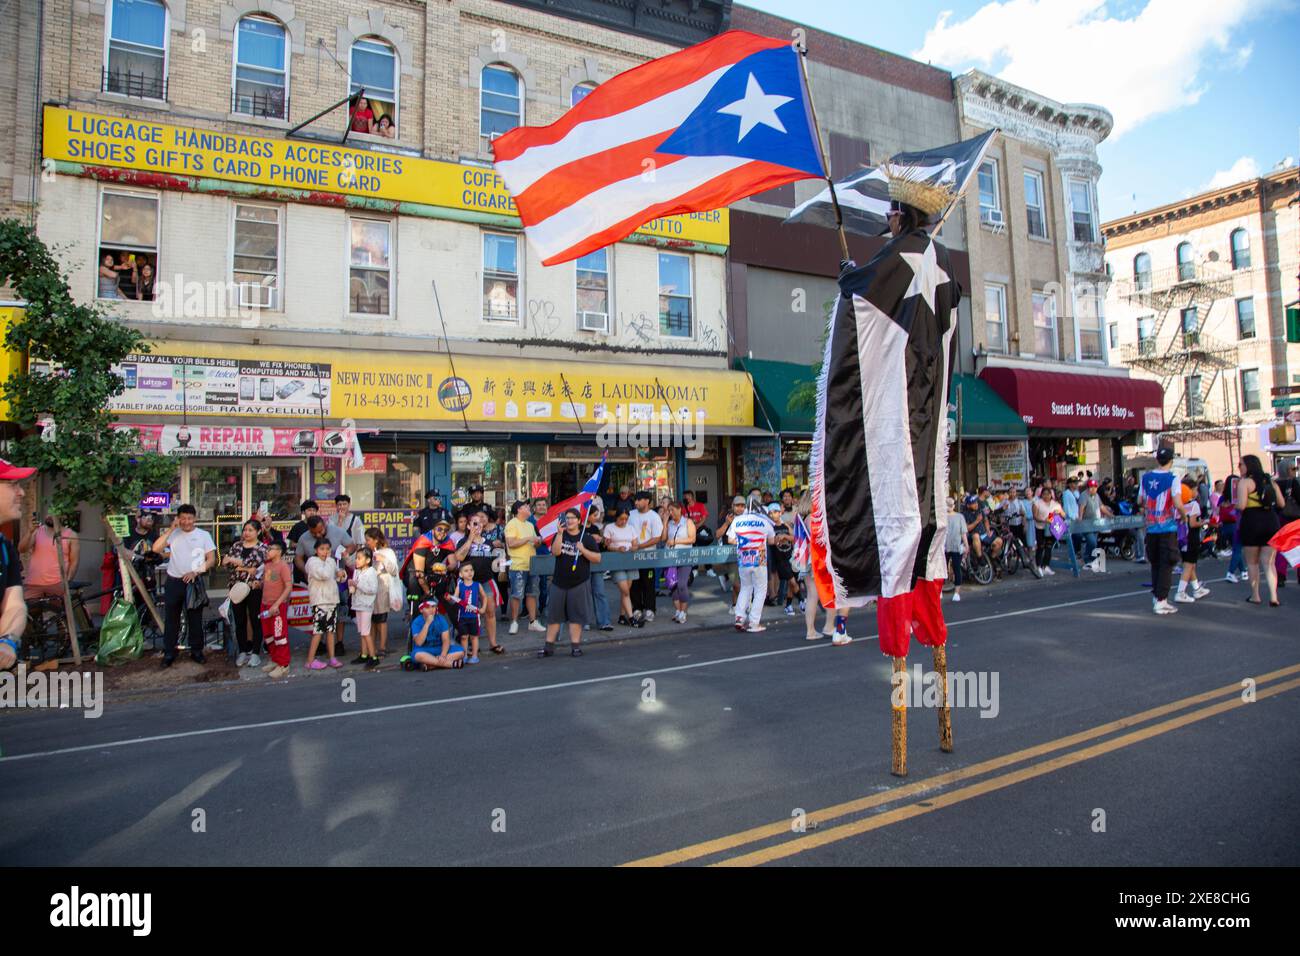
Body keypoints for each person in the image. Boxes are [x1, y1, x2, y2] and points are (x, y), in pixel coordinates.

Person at [151, 504, 216, 667]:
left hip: (193, 582)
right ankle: (169, 652)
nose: (186, 522)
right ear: (178, 519)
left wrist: (196, 572)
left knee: (195, 618)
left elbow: (211, 559)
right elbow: (156, 549)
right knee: (171, 619)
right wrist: (171, 529)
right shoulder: (174, 534)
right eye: (183, 518)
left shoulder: (203, 535)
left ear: (195, 518)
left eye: (190, 518)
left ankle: (196, 651)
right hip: (174, 580)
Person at [538, 508, 601, 657]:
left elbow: (597, 559)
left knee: (576, 617)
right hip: (559, 582)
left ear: (579, 521)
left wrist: (583, 550)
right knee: (554, 616)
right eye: (568, 518)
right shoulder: (560, 535)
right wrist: (559, 534)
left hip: (579, 583)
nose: (570, 520)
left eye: (573, 518)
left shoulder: (587, 538)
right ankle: (548, 647)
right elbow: (555, 552)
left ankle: (575, 647)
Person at [0, 459, 36, 671]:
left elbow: (14, 605)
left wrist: (7, 641)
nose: (21, 493)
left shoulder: (4, 547)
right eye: (12, 484)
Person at [1141, 448, 1186, 615]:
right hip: (1167, 527)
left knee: (1156, 563)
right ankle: (1162, 600)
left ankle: (1156, 596)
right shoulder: (1173, 479)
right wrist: (1184, 516)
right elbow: (1177, 503)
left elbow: (1140, 499)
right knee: (1167, 563)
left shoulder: (1145, 478)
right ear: (1171, 461)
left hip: (1151, 527)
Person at [1235, 454, 1284, 606]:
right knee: (1269, 563)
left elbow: (1242, 505)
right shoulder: (1271, 482)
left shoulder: (1245, 483)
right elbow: (1281, 503)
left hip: (1252, 522)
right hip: (1271, 521)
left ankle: (1255, 595)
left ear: (1249, 466)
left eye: (1241, 464)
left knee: (1252, 562)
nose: (1239, 467)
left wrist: (1234, 505)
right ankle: (1274, 596)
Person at [454, 511, 504, 653]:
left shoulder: (489, 543)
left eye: (480, 523)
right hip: (469, 583)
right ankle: (470, 643)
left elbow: (496, 564)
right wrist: (470, 539)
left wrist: (501, 563)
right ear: (469, 526)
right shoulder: (463, 541)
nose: (478, 526)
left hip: (486, 580)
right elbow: (459, 557)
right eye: (474, 523)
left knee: (490, 612)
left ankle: (493, 643)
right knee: (469, 613)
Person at [223, 519, 267, 668]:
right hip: (236, 587)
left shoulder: (262, 548)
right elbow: (227, 564)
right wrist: (245, 567)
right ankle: (242, 650)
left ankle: (255, 653)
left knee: (255, 619)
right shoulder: (236, 545)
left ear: (258, 532)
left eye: (250, 530)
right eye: (245, 530)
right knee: (239, 619)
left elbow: (254, 563)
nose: (247, 533)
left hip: (253, 587)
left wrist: (238, 564)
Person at [727, 499, 775, 633]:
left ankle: (739, 617)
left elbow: (730, 539)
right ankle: (754, 623)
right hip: (759, 560)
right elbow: (771, 541)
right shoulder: (764, 521)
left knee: (745, 588)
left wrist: (744, 542)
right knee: (760, 590)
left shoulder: (737, 521)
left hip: (743, 559)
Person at [304, 536, 346, 670]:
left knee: (330, 630)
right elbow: (325, 575)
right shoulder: (312, 562)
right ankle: (310, 660)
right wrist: (329, 561)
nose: (325, 552)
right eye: (322, 549)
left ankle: (332, 657)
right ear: (316, 550)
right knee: (318, 631)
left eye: (328, 549)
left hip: (332, 600)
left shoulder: (331, 562)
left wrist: (341, 574)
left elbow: (336, 578)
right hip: (320, 601)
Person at [504, 500, 544, 635]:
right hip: (518, 565)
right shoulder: (512, 524)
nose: (528, 508)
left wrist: (538, 541)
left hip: (532, 564)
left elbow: (533, 544)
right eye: (526, 506)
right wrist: (528, 538)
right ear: (518, 510)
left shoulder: (530, 525)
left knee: (532, 594)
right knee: (516, 595)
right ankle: (514, 622)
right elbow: (511, 543)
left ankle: (533, 622)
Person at [19, 515, 79, 601]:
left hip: (57, 584)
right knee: (28, 612)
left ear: (64, 516)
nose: (50, 516)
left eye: (54, 513)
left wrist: (67, 582)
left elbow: (74, 562)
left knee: (57, 613)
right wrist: (30, 532)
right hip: (33, 583)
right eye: (48, 513)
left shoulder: (71, 535)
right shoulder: (37, 531)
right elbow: (22, 549)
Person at [627, 491, 663, 624]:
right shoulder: (630, 515)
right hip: (633, 555)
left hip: (648, 556)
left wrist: (640, 546)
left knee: (648, 583)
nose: (636, 502)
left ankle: (650, 609)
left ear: (647, 501)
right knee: (634, 583)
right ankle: (636, 608)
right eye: (635, 500)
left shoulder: (654, 516)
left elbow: (656, 538)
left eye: (639, 500)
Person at [1174, 475, 1211, 604]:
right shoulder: (1193, 504)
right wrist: (1205, 522)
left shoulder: (1178, 506)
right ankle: (1180, 592)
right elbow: (1193, 523)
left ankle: (1197, 588)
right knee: (1189, 565)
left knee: (1189, 565)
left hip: (1181, 538)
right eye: (1195, 490)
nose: (1196, 493)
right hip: (1192, 537)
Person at [258, 540, 292, 678]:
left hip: (277, 607)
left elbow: (288, 586)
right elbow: (269, 581)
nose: (267, 551)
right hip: (265, 605)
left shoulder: (283, 567)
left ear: (279, 551)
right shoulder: (268, 565)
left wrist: (277, 604)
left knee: (280, 636)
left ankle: (284, 665)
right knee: (268, 635)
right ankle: (275, 659)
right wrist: (258, 584)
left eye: (270, 549)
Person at [602, 508, 640, 627]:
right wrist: (616, 548)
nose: (624, 521)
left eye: (626, 519)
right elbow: (606, 546)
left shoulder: (631, 528)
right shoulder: (609, 528)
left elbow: (635, 544)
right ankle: (631, 617)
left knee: (626, 592)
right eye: (621, 519)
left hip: (629, 560)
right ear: (616, 518)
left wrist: (633, 548)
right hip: (617, 561)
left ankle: (622, 616)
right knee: (625, 591)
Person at [365, 528, 399, 657]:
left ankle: (382, 646)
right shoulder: (367, 551)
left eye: (368, 540)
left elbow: (394, 570)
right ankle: (371, 647)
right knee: (372, 620)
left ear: (376, 540)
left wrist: (383, 559)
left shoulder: (387, 552)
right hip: (370, 590)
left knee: (381, 619)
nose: (367, 542)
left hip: (382, 589)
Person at [348, 546, 381, 669]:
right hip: (358, 604)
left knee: (366, 632)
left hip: (366, 605)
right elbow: (355, 585)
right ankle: (364, 654)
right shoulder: (357, 571)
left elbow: (372, 589)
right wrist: (351, 584)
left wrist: (357, 584)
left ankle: (373, 657)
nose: (356, 560)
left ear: (367, 560)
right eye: (356, 558)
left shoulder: (371, 572)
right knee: (362, 631)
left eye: (359, 558)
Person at [664, 500, 696, 623]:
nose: (670, 513)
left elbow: (692, 539)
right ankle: (677, 611)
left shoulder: (688, 522)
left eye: (672, 510)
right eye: (669, 511)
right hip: (671, 557)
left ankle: (683, 612)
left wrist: (676, 541)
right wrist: (665, 521)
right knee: (673, 585)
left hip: (685, 557)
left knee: (682, 584)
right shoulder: (670, 523)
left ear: (679, 510)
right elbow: (663, 538)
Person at [408, 599, 464, 670]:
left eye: (433, 607)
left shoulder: (441, 619)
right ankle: (450, 664)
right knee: (417, 655)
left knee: (461, 652)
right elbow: (419, 642)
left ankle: (431, 665)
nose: (431, 609)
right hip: (423, 650)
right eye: (428, 607)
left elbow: (446, 640)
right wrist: (427, 624)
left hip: (439, 648)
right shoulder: (416, 622)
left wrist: (443, 655)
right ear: (421, 610)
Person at [584, 502, 614, 632]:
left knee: (600, 592)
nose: (596, 517)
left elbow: (600, 548)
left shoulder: (596, 528)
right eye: (594, 515)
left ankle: (604, 621)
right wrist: (590, 537)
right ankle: (584, 621)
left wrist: (603, 541)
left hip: (596, 563)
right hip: (583, 564)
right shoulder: (579, 529)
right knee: (584, 594)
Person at [766, 502, 798, 614]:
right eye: (770, 513)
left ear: (780, 513)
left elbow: (794, 537)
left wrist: (785, 536)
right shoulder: (769, 526)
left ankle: (789, 604)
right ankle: (801, 601)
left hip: (789, 556)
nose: (772, 515)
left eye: (775, 512)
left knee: (791, 583)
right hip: (778, 559)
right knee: (791, 582)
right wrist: (778, 539)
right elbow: (770, 541)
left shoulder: (785, 525)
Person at [451, 563, 485, 664]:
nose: (469, 572)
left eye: (471, 570)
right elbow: (454, 599)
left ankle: (474, 656)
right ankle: (464, 655)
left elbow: (484, 596)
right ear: (461, 574)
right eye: (466, 571)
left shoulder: (477, 585)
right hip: (462, 616)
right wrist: (451, 598)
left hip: (474, 616)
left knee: (474, 636)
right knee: (464, 637)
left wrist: (483, 608)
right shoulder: (459, 586)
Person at [1032, 487, 1063, 577]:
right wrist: (1044, 520)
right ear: (1041, 495)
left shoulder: (1055, 504)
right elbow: (1035, 516)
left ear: (1051, 495)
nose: (1046, 496)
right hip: (1040, 528)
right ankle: (1038, 566)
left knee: (1049, 547)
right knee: (1040, 547)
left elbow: (1063, 514)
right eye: (1044, 494)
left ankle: (1046, 566)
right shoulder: (1037, 503)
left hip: (1052, 528)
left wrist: (1059, 512)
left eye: (1048, 494)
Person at [964, 495, 1003, 567]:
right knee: (976, 536)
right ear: (968, 505)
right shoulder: (965, 514)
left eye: (976, 502)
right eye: (973, 503)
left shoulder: (980, 510)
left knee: (999, 541)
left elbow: (986, 520)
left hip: (983, 534)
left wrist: (988, 530)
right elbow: (967, 528)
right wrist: (977, 521)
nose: (976, 504)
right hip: (972, 535)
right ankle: (980, 558)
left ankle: (992, 558)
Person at [945, 496, 968, 602]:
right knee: (954, 568)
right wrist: (966, 545)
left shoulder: (958, 517)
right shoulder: (959, 517)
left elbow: (963, 533)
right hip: (948, 546)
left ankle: (955, 592)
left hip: (949, 546)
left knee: (953, 568)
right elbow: (963, 533)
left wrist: (966, 545)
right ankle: (955, 592)